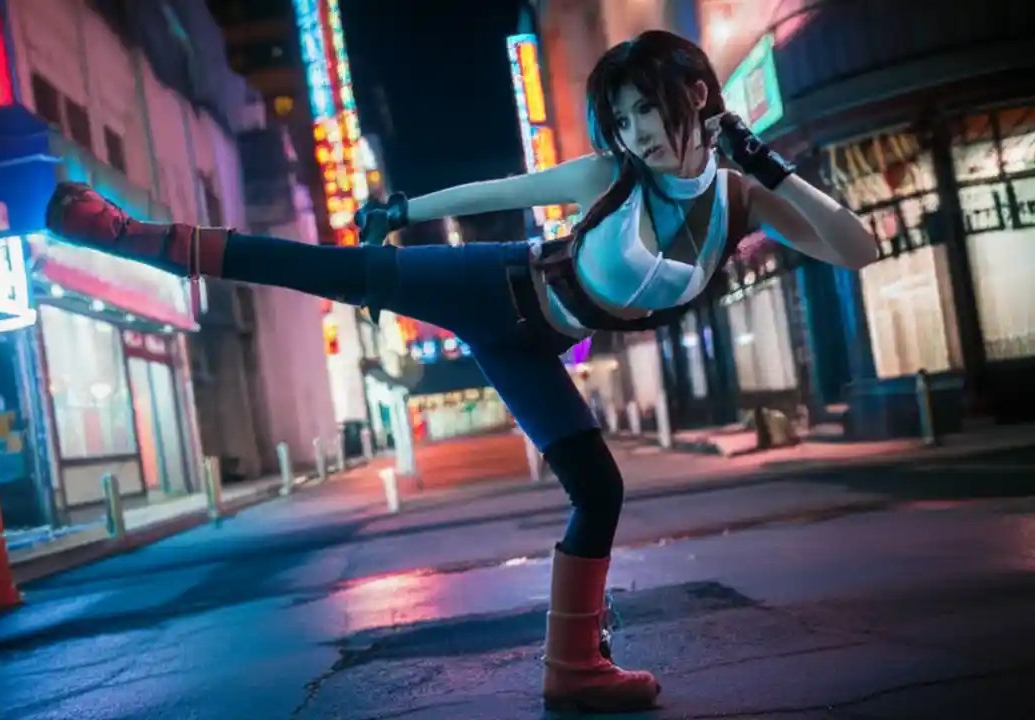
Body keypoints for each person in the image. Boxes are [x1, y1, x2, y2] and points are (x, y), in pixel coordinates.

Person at [44, 30, 876, 713]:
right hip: (493, 283)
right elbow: (507, 185)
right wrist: (404, 211)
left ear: (694, 94)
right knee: (330, 269)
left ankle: (574, 668)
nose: (635, 132)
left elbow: (857, 248)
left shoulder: (741, 201)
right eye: (620, 118)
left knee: (600, 489)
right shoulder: (615, 176)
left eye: (643, 110)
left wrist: (767, 164)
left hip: (533, 346)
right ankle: (136, 237)